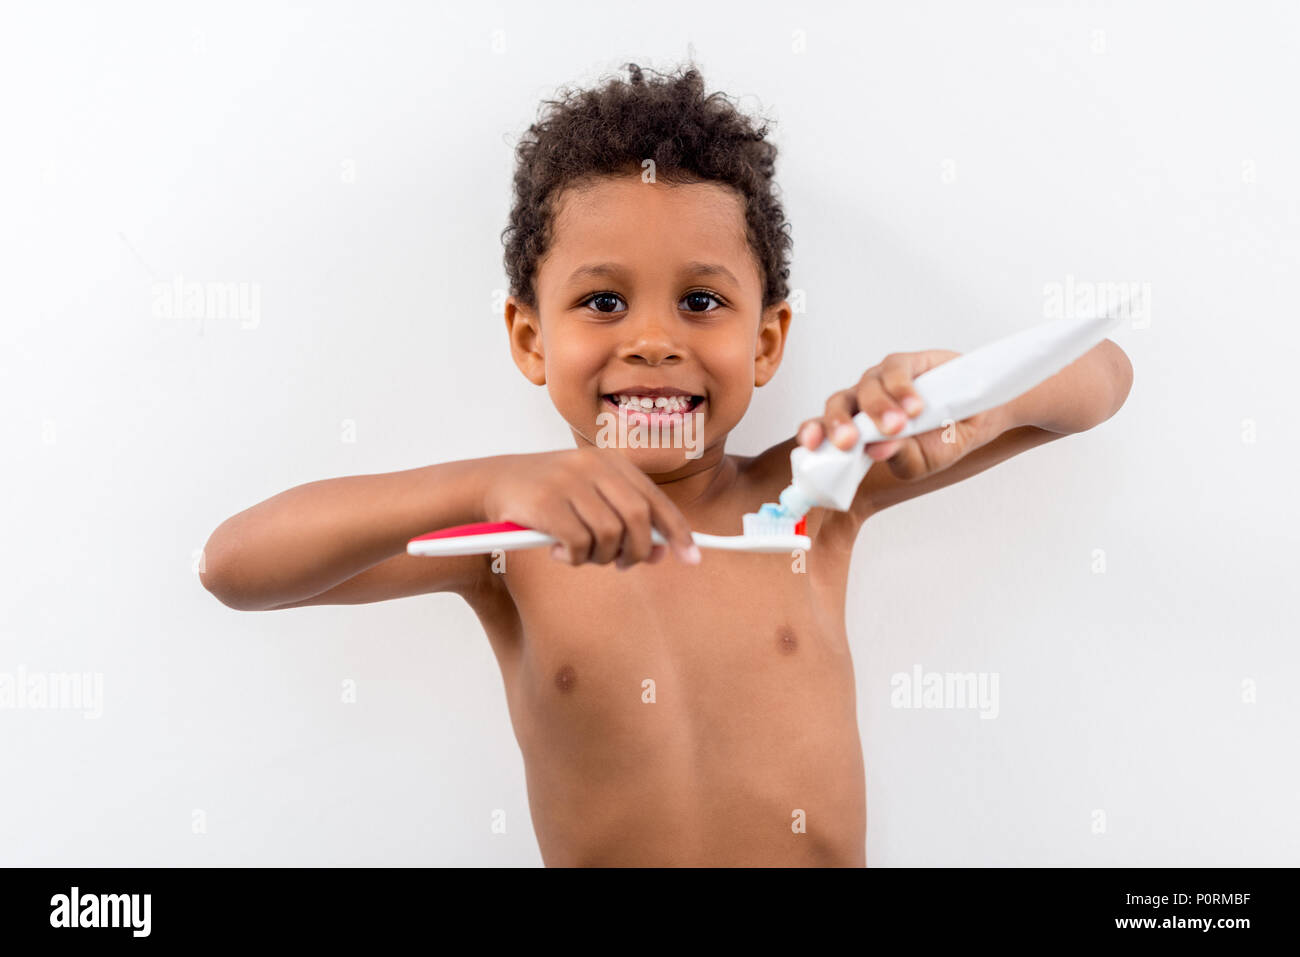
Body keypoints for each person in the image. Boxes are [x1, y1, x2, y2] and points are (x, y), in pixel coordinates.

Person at [200, 62, 1133, 866]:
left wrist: (966, 405)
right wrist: (483, 485)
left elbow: (1103, 378)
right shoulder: (510, 541)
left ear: (767, 343)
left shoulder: (817, 490)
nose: (652, 340)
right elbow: (234, 565)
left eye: (700, 300)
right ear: (529, 336)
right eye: (603, 301)